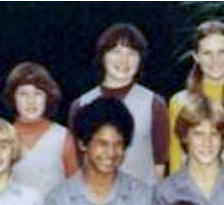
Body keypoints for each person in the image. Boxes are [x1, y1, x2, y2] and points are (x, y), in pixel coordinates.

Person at [68, 23, 168, 183]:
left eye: (132, 53)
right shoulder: (81, 105)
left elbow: (159, 164)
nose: (124, 60)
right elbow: (78, 162)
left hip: (142, 201)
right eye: (116, 52)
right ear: (103, 56)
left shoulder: (154, 104)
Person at [168, 20, 224, 178]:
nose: (215, 60)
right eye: (207, 53)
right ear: (195, 57)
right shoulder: (179, 102)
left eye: (222, 52)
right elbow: (176, 160)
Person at [4, 61, 79, 197]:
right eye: (23, 94)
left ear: (48, 97)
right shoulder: (3, 136)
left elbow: (74, 189)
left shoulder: (62, 137)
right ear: (13, 98)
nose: (31, 101)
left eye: (37, 94)